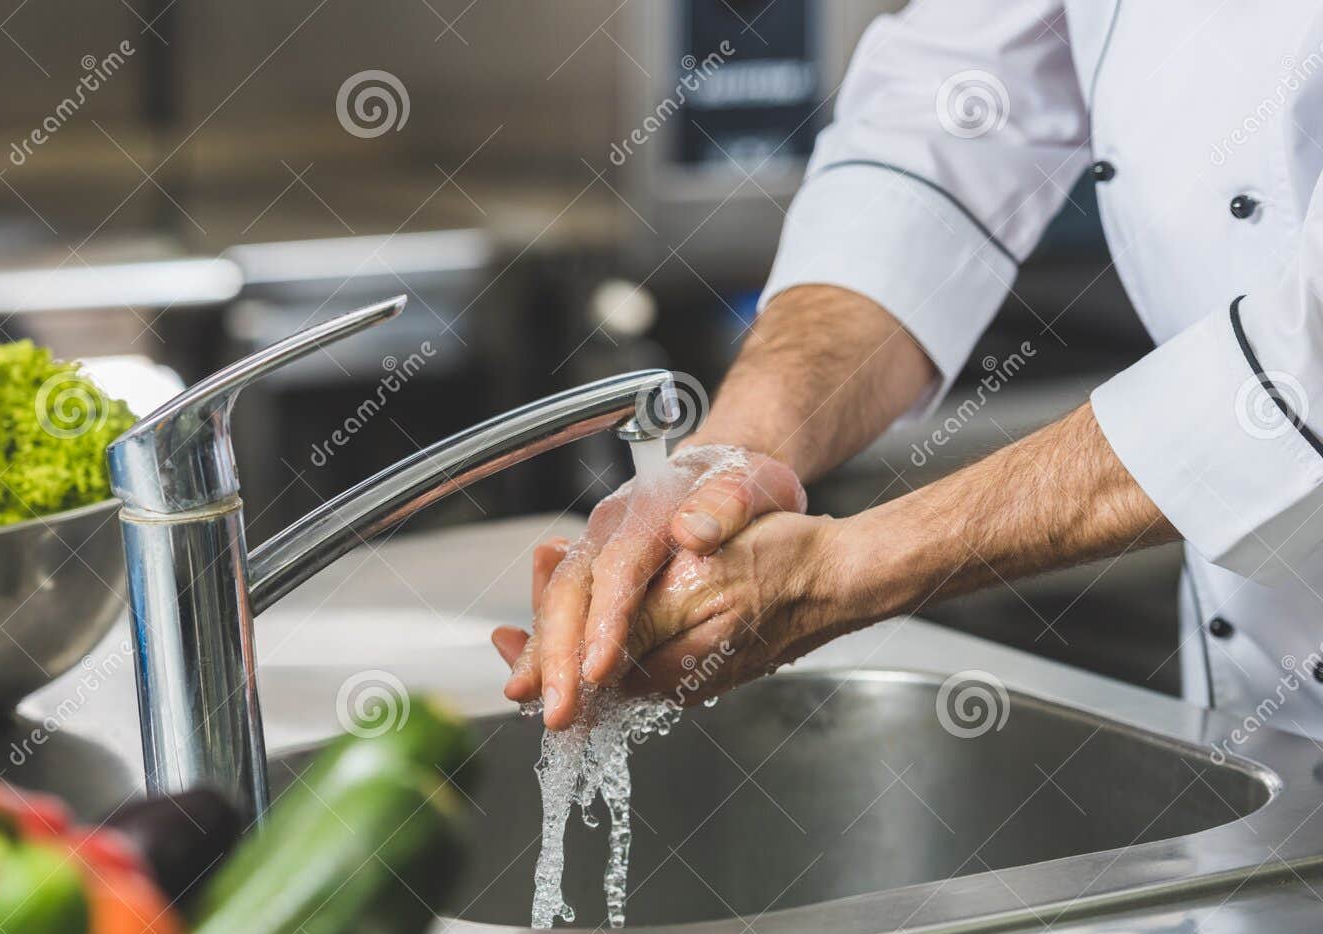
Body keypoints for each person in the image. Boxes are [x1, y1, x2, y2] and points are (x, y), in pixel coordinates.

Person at [493, 0, 1323, 740]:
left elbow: (1305, 360)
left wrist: (837, 572)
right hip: (1268, 717)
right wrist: (722, 467)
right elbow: (938, 138)